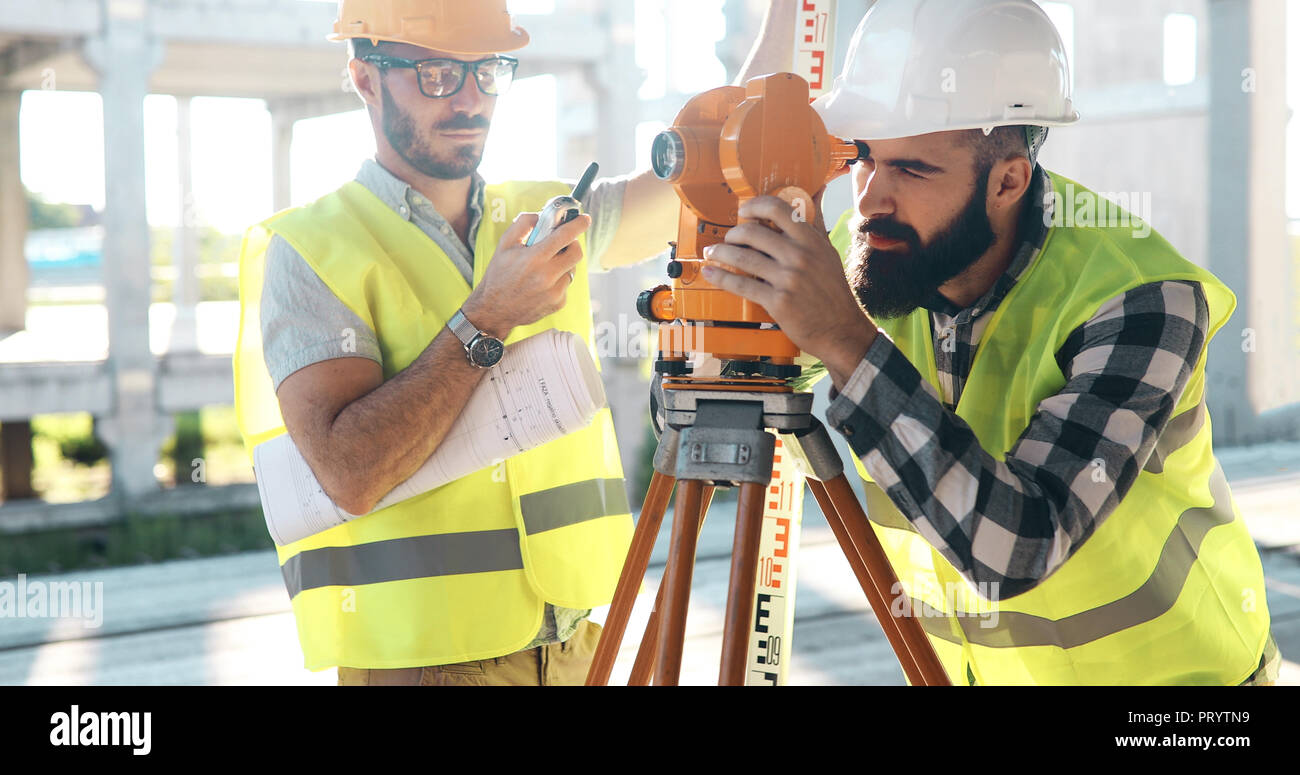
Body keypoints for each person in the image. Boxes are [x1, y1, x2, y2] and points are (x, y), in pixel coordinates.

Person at [700, 0, 1278, 685]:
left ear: (1008, 180)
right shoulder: (866, 263)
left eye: (911, 169)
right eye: (861, 159)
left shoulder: (1141, 301)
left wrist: (846, 340)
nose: (868, 200)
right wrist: (707, 347)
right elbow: (707, 427)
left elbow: (1020, 547)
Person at [233, 0, 795, 686]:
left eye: (488, 71)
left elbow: (718, 173)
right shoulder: (314, 250)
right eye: (438, 74)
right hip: (428, 668)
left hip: (581, 647)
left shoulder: (548, 213)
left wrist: (792, 13)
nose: (470, 99)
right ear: (366, 79)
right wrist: (486, 317)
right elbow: (350, 471)